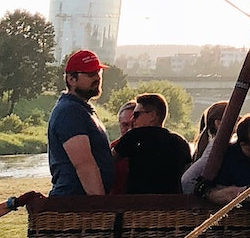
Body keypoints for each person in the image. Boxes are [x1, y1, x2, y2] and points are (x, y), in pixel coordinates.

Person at [47, 50, 114, 197]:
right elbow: (84, 165)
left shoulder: (80, 109)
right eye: (90, 74)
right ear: (71, 80)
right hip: (75, 205)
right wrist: (100, 207)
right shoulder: (70, 111)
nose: (97, 78)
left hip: (80, 203)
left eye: (98, 72)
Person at [111, 93, 193, 193]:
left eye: (136, 115)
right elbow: (188, 174)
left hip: (137, 203)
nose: (133, 120)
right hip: (172, 203)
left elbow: (109, 160)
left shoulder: (134, 136)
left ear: (152, 115)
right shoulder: (180, 142)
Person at [180, 99, 229, 195]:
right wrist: (210, 194)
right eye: (235, 120)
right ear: (218, 123)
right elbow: (187, 180)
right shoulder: (214, 148)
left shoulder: (205, 147)